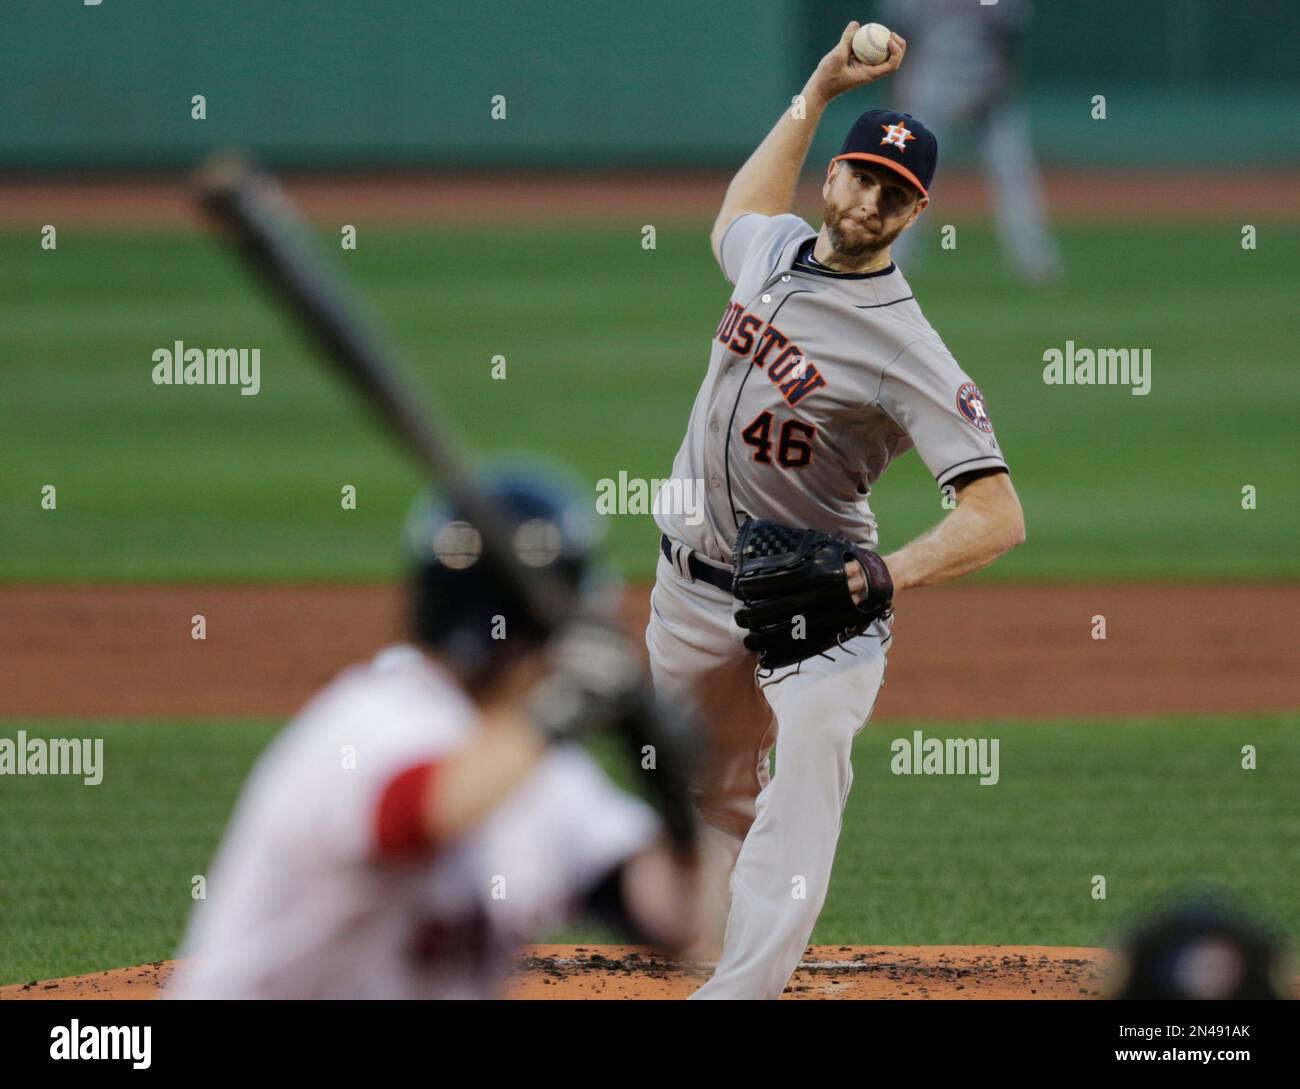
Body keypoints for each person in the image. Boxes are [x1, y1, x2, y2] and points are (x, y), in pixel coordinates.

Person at [646, 22, 1025, 999]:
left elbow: (997, 513)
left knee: (808, 775)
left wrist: (880, 575)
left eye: (894, 193)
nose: (871, 199)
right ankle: (717, 953)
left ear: (915, 212)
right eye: (860, 177)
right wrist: (813, 96)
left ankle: (742, 991)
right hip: (688, 587)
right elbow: (737, 212)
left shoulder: (907, 348)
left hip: (821, 596)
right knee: (700, 798)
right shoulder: (771, 250)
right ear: (834, 179)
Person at [169, 470, 698, 999]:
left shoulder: (545, 775)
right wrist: (558, 710)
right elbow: (415, 816)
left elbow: (683, 921)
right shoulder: (370, 721)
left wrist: (677, 807)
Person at [883, 0, 1063, 284]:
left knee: (1014, 173)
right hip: (930, 90)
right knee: (909, 177)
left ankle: (1035, 262)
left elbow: (1010, 41)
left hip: (987, 89)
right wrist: (902, 92)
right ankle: (892, 261)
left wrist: (998, 88)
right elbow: (901, 39)